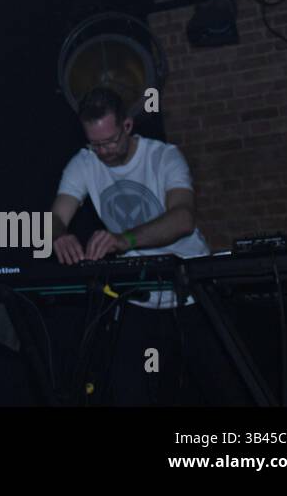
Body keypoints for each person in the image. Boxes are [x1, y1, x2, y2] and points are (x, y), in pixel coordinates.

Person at [50, 87, 242, 404]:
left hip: (193, 295)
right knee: (129, 394)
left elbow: (183, 218)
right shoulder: (84, 163)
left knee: (226, 391)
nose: (104, 151)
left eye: (110, 141)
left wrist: (124, 240)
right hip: (138, 299)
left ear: (127, 126)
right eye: (95, 144)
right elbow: (55, 217)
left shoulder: (163, 157)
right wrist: (59, 235)